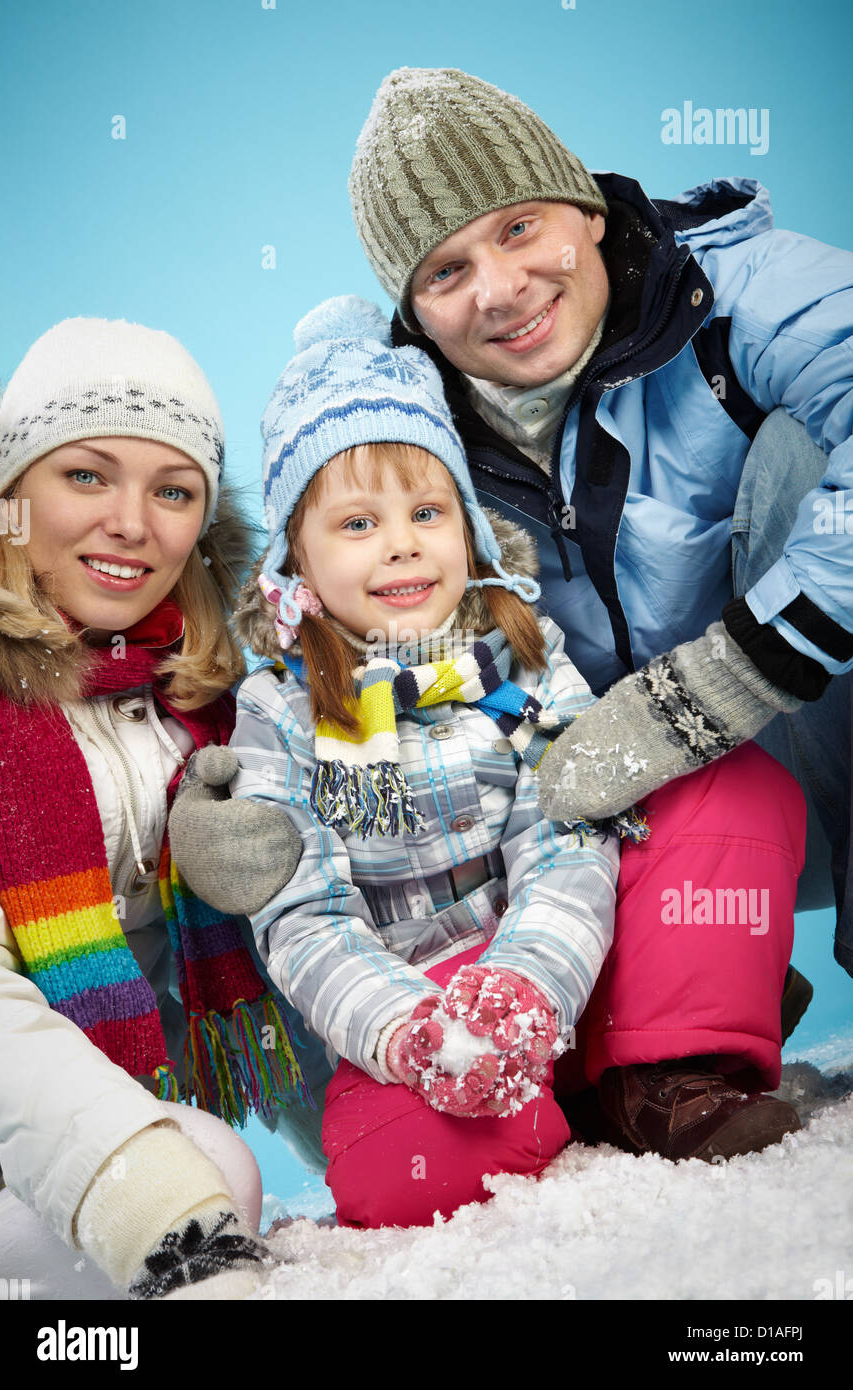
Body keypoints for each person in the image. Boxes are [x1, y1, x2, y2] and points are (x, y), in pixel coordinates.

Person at [201, 294, 804, 1230]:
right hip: (424, 1008)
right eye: (357, 524)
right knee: (401, 1178)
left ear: (470, 533)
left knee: (723, 786)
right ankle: (558, 1100)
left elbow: (570, 832)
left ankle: (666, 1067)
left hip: (559, 961)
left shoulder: (518, 660)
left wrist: (528, 980)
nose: (402, 542)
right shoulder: (277, 715)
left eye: (428, 510)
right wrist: (409, 1030)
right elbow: (306, 919)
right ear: (298, 567)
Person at [347, 67, 853, 997]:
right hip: (617, 819)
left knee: (803, 456)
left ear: (588, 212)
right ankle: (666, 1009)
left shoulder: (737, 293)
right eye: (447, 271)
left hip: (827, 761)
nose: (500, 290)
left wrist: (731, 677)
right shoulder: (404, 447)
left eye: (518, 227)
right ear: (414, 312)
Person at [0, 317, 305, 1300]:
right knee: (191, 1181)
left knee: (219, 1162)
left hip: (87, 1131)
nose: (132, 522)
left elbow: (279, 957)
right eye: (86, 474)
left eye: (172, 491)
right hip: (22, 1128)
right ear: (8, 499)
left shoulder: (203, 709)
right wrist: (157, 1203)